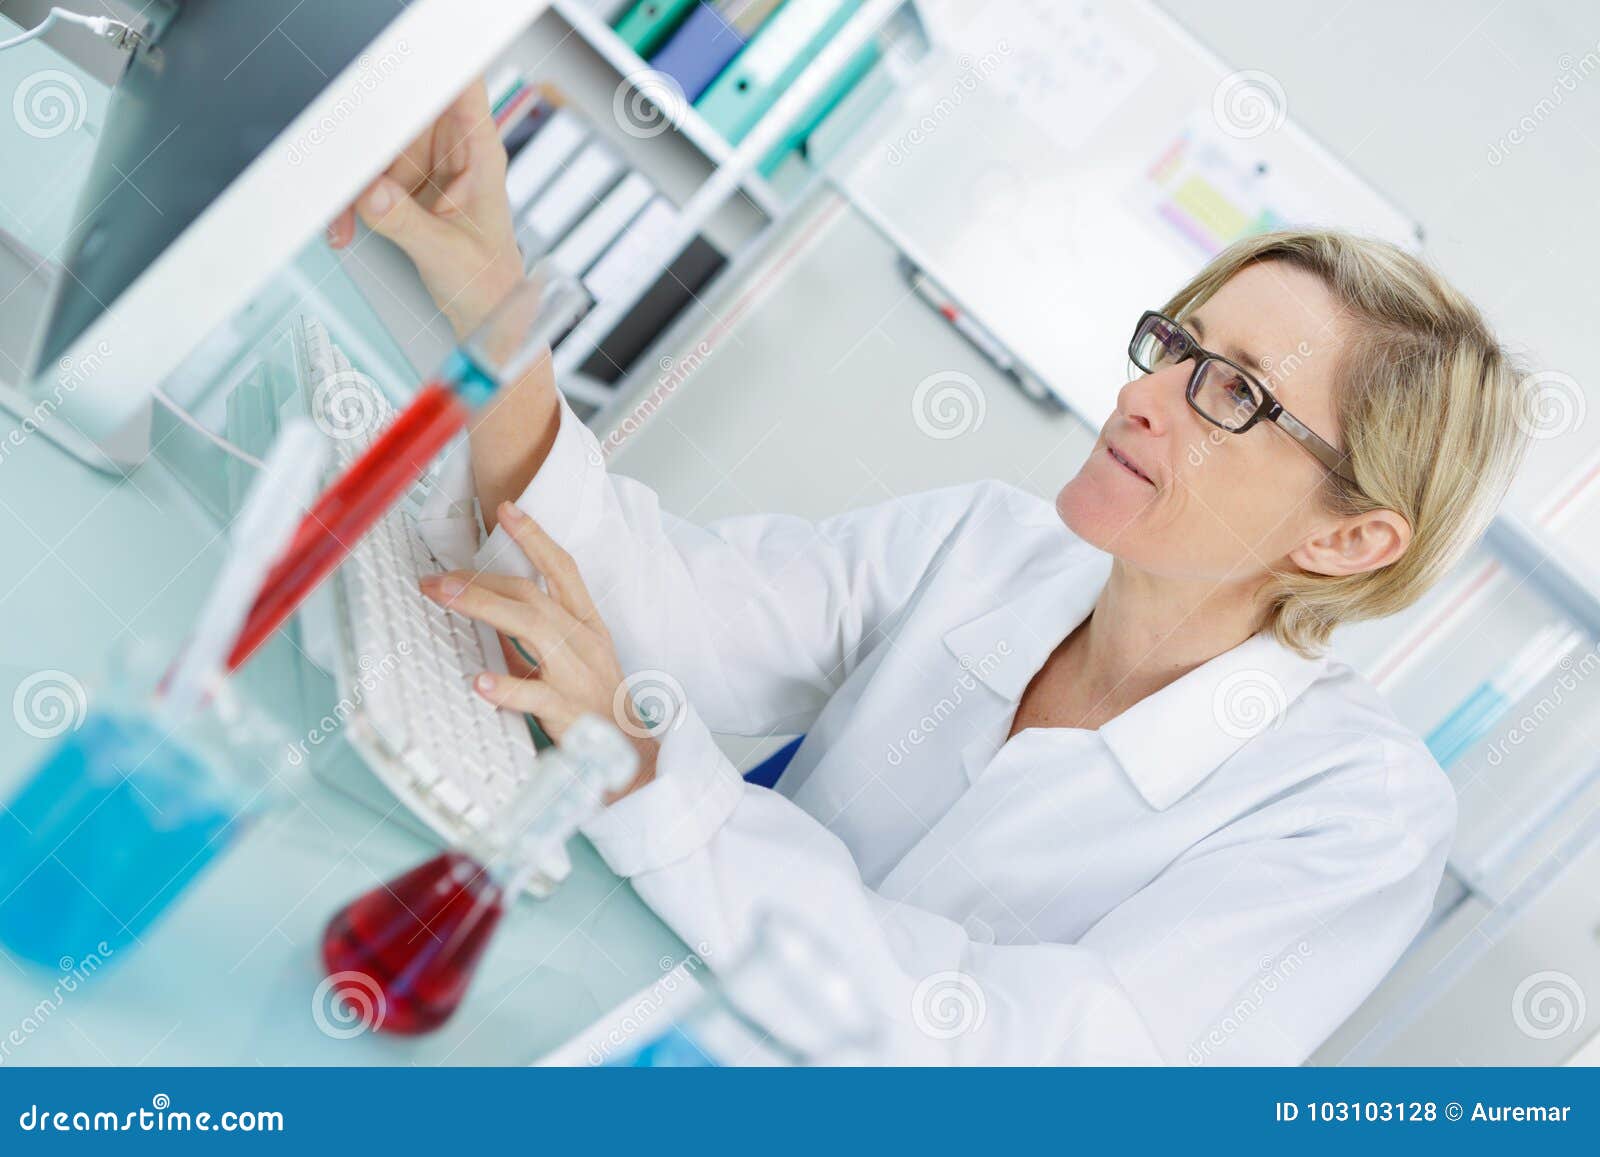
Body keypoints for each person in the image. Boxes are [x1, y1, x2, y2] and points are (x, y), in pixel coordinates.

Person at [329, 83, 1529, 1064]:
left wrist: (657, 773)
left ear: (1347, 538)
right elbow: (660, 617)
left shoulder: (1356, 813)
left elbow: (1034, 1065)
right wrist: (497, 304)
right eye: (1175, 346)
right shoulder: (987, 544)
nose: (1139, 396)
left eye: (1233, 393)